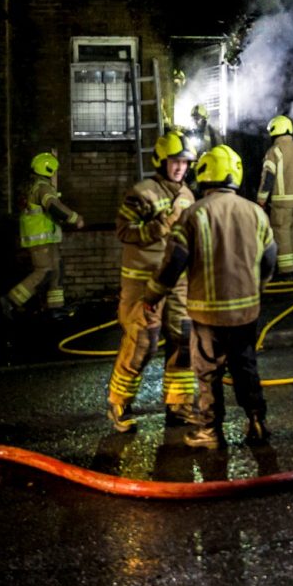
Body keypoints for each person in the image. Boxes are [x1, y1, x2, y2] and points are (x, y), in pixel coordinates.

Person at [143, 145, 276, 449]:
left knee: (208, 373)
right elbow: (270, 259)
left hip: (206, 315)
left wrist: (153, 294)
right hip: (245, 312)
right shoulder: (255, 212)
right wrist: (259, 288)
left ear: (204, 175)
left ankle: (210, 432)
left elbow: (173, 262)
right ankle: (257, 423)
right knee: (246, 368)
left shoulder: (192, 215)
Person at [106, 131, 198, 433]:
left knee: (183, 341)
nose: (180, 168)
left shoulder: (188, 195)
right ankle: (119, 402)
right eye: (175, 161)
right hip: (143, 281)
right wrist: (161, 226)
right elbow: (124, 231)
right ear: (161, 161)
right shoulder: (141, 192)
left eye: (184, 163)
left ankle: (179, 404)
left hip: (177, 281)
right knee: (142, 343)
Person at [1, 151, 84, 322]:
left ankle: (56, 308)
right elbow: (54, 207)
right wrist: (75, 218)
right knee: (44, 271)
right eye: (53, 170)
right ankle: (10, 300)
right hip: (41, 240)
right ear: (48, 169)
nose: (55, 173)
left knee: (56, 270)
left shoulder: (37, 185)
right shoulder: (43, 188)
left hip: (47, 239)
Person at [256, 114, 293, 279]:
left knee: (282, 235)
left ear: (275, 131)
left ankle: (287, 273)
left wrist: (261, 200)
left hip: (282, 204)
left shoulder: (274, 151)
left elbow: (268, 179)